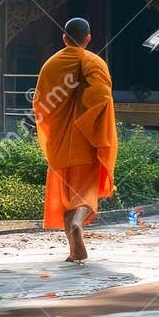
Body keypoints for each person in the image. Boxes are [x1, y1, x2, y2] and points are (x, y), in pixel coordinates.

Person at [34, 17, 117, 262]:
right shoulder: (93, 61)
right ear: (88, 38)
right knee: (84, 197)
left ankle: (73, 251)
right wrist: (84, 119)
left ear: (64, 38)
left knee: (66, 198)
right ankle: (79, 224)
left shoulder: (50, 65)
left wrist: (56, 125)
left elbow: (40, 104)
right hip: (85, 143)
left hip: (59, 144)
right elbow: (101, 96)